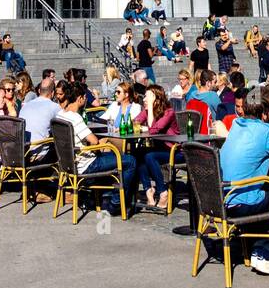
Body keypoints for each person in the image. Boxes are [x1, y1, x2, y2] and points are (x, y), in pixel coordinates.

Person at [218, 98, 269, 273]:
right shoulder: (265, 131)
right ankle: (266, 251)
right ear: (265, 114)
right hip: (242, 201)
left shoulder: (236, 124)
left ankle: (258, 246)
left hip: (223, 198)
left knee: (266, 191)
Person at [57, 81, 137, 216]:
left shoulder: (60, 115)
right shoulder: (75, 118)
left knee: (112, 156)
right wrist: (102, 144)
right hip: (86, 165)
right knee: (130, 161)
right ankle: (116, 204)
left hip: (68, 165)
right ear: (80, 98)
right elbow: (94, 142)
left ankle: (100, 197)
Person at [136, 84, 179, 209]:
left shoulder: (169, 112)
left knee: (149, 156)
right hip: (159, 149)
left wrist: (149, 105)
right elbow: (134, 122)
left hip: (173, 150)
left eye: (147, 97)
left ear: (156, 98)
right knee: (137, 153)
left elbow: (153, 130)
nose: (144, 99)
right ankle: (148, 189)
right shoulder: (148, 111)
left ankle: (163, 191)